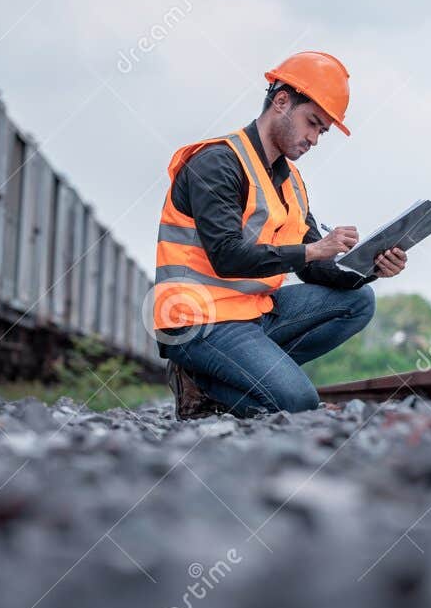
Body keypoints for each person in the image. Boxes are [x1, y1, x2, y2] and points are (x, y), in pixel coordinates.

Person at [152, 52, 407, 418]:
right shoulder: (216, 163)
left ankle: (235, 373)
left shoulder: (292, 183)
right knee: (297, 404)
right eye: (312, 123)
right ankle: (203, 376)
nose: (315, 139)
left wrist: (371, 267)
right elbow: (227, 255)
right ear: (282, 101)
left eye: (322, 131)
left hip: (254, 313)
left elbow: (314, 267)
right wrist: (314, 250)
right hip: (197, 320)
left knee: (359, 301)